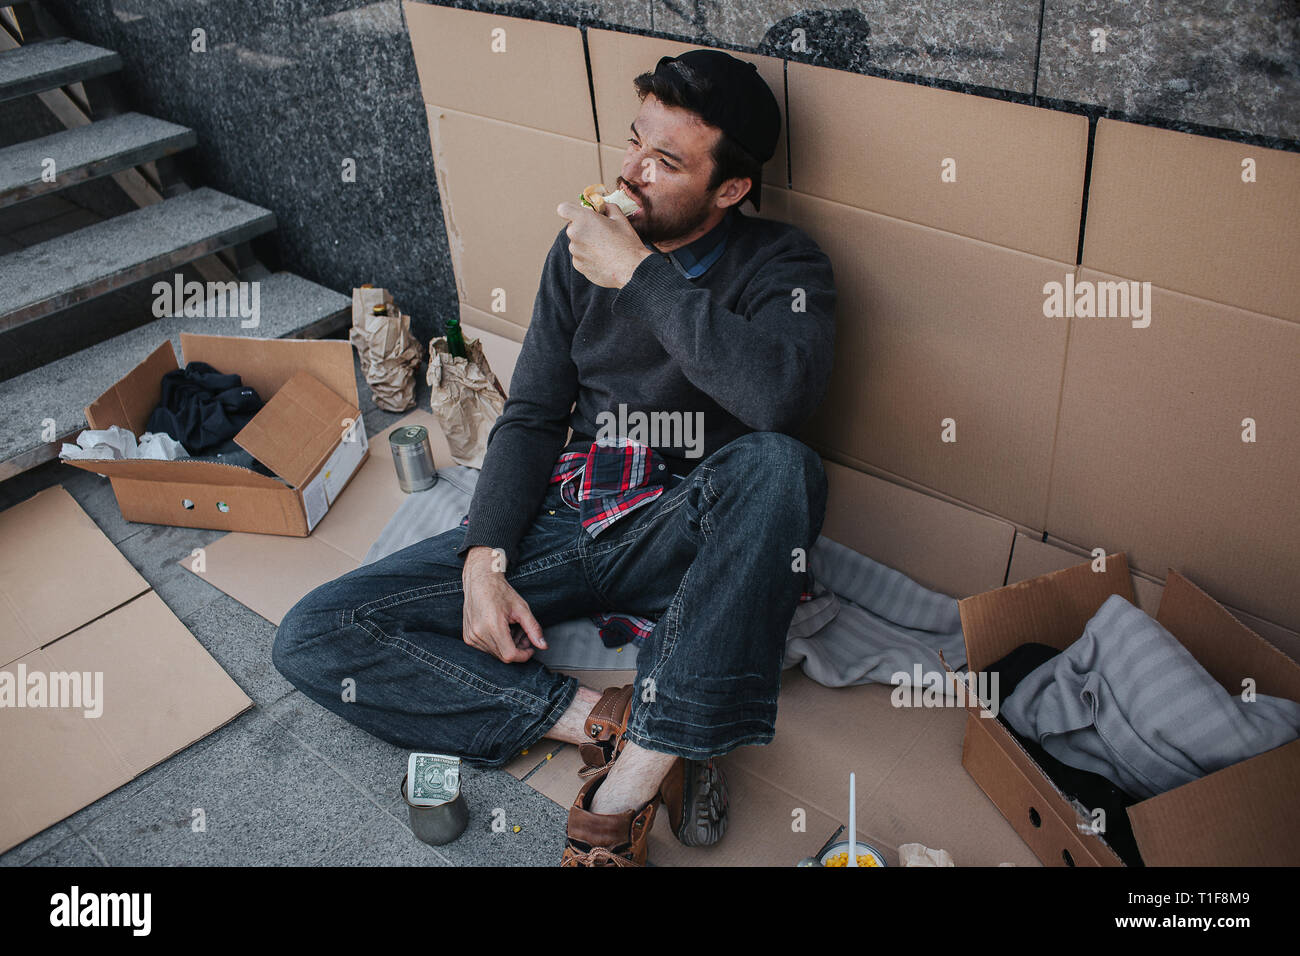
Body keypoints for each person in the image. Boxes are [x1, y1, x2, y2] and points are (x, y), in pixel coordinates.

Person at [273, 49, 837, 866]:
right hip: (578, 514)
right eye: (635, 142)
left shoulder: (786, 266)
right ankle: (623, 728)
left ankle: (629, 787)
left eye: (667, 162)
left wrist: (640, 275)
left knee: (784, 467)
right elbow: (534, 415)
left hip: (693, 529)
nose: (633, 174)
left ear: (731, 189)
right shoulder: (577, 251)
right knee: (315, 633)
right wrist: (483, 557)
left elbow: (780, 401)